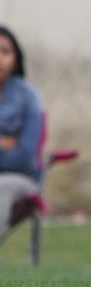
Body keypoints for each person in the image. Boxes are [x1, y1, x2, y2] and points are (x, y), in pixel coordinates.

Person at [0, 26, 43, 225]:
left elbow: (24, 155)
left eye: (5, 52)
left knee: (2, 186)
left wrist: (13, 149)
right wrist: (5, 142)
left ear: (15, 59)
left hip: (20, 178)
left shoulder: (28, 97)